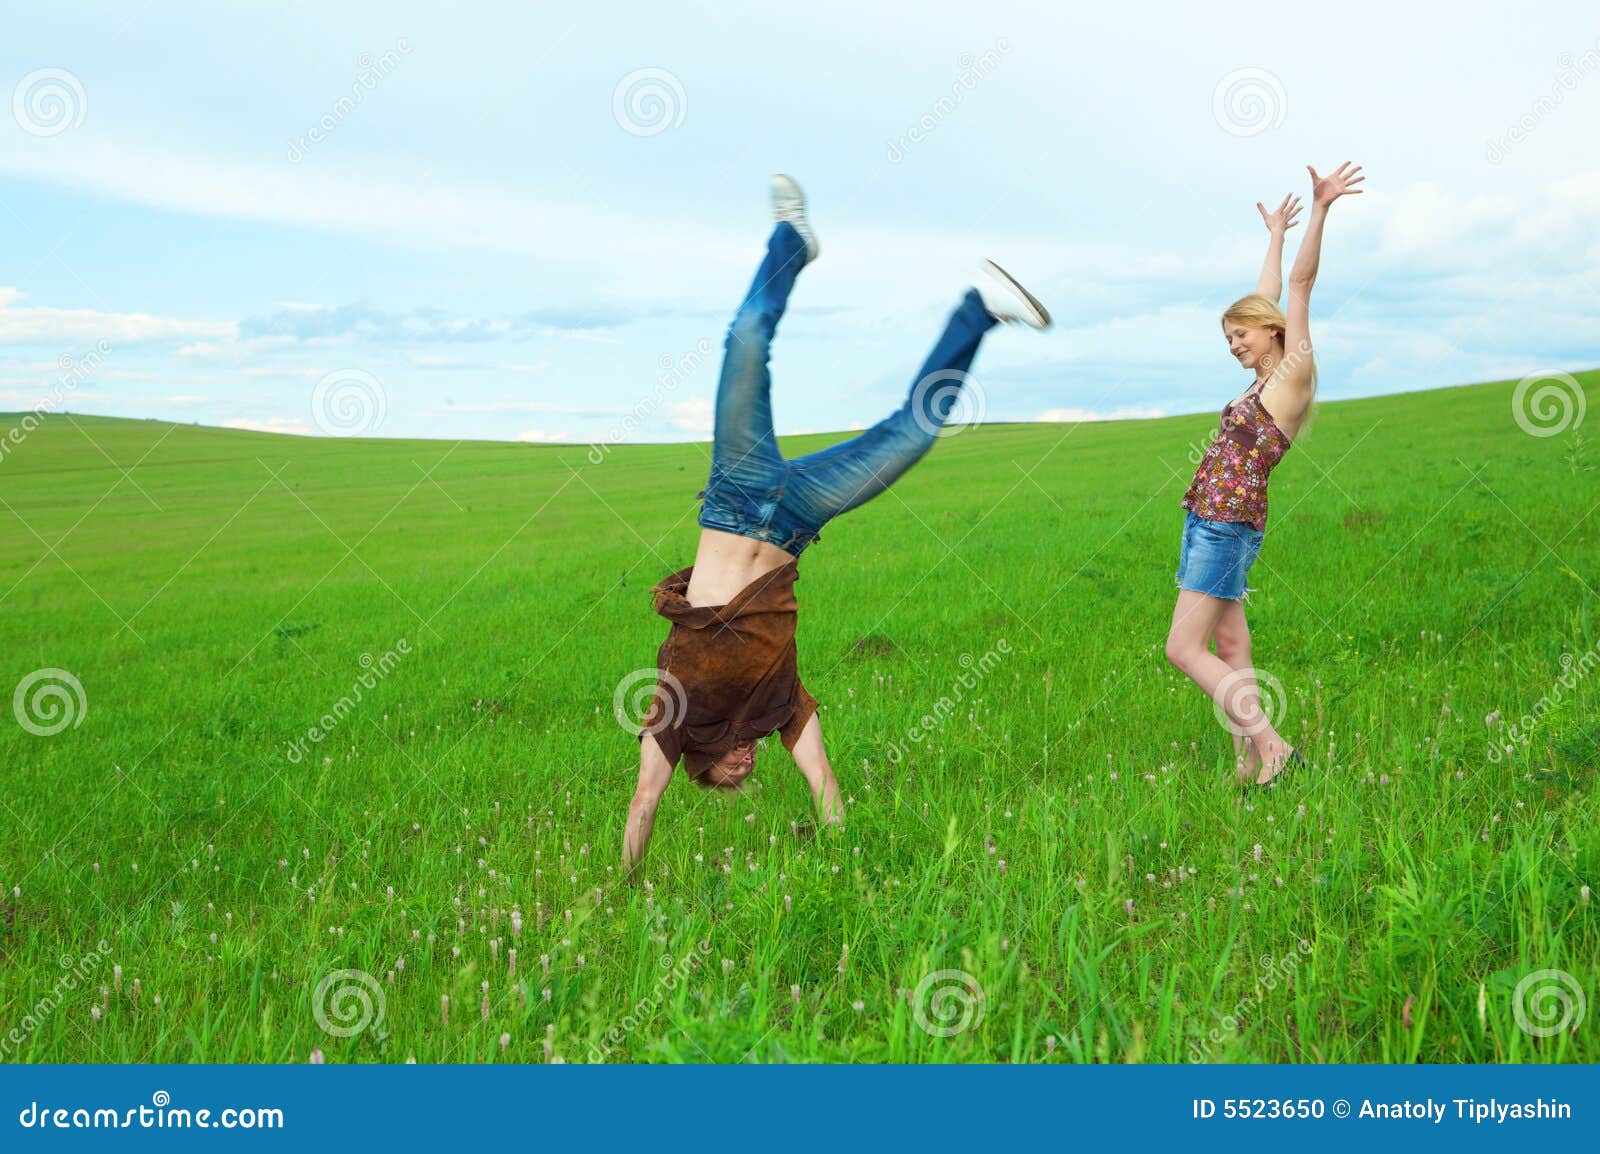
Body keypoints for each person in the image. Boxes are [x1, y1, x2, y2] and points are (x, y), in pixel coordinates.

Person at [622, 174, 1051, 874]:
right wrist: (842, 858)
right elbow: (823, 783)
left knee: (746, 341)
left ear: (699, 766)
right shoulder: (778, 706)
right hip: (795, 520)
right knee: (911, 438)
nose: (740, 769)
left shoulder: (673, 720)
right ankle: (981, 310)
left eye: (725, 776)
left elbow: (643, 802)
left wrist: (626, 883)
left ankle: (789, 240)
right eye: (746, 773)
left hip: (736, 496)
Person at [1164, 163, 1365, 787]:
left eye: (1240, 335)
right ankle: (1248, 763)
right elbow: (1269, 289)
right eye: (1227, 338)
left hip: (1227, 524)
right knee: (1232, 648)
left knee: (1182, 650)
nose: (1233, 345)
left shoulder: (1291, 377)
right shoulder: (1260, 377)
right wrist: (1275, 232)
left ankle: (1273, 748)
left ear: (1274, 332)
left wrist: (1321, 207)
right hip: (1208, 519)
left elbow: (1296, 288)